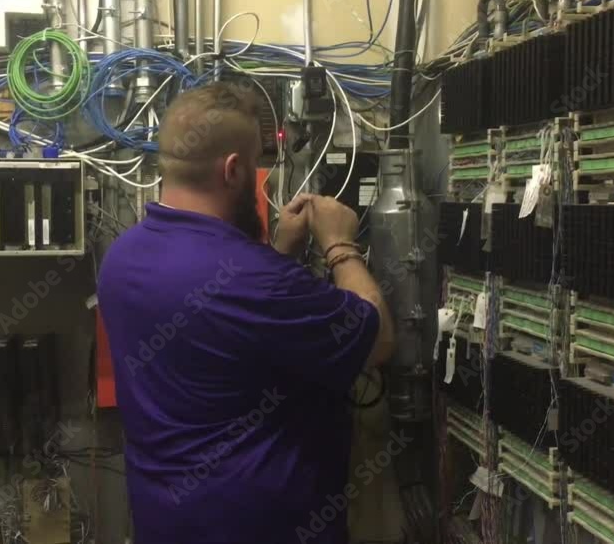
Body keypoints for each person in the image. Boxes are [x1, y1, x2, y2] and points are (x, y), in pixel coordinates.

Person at [97, 82, 395, 544]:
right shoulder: (257, 282)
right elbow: (375, 340)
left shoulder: (121, 258)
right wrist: (340, 244)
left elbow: (232, 330)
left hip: (164, 523)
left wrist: (281, 251)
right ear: (234, 170)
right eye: (259, 159)